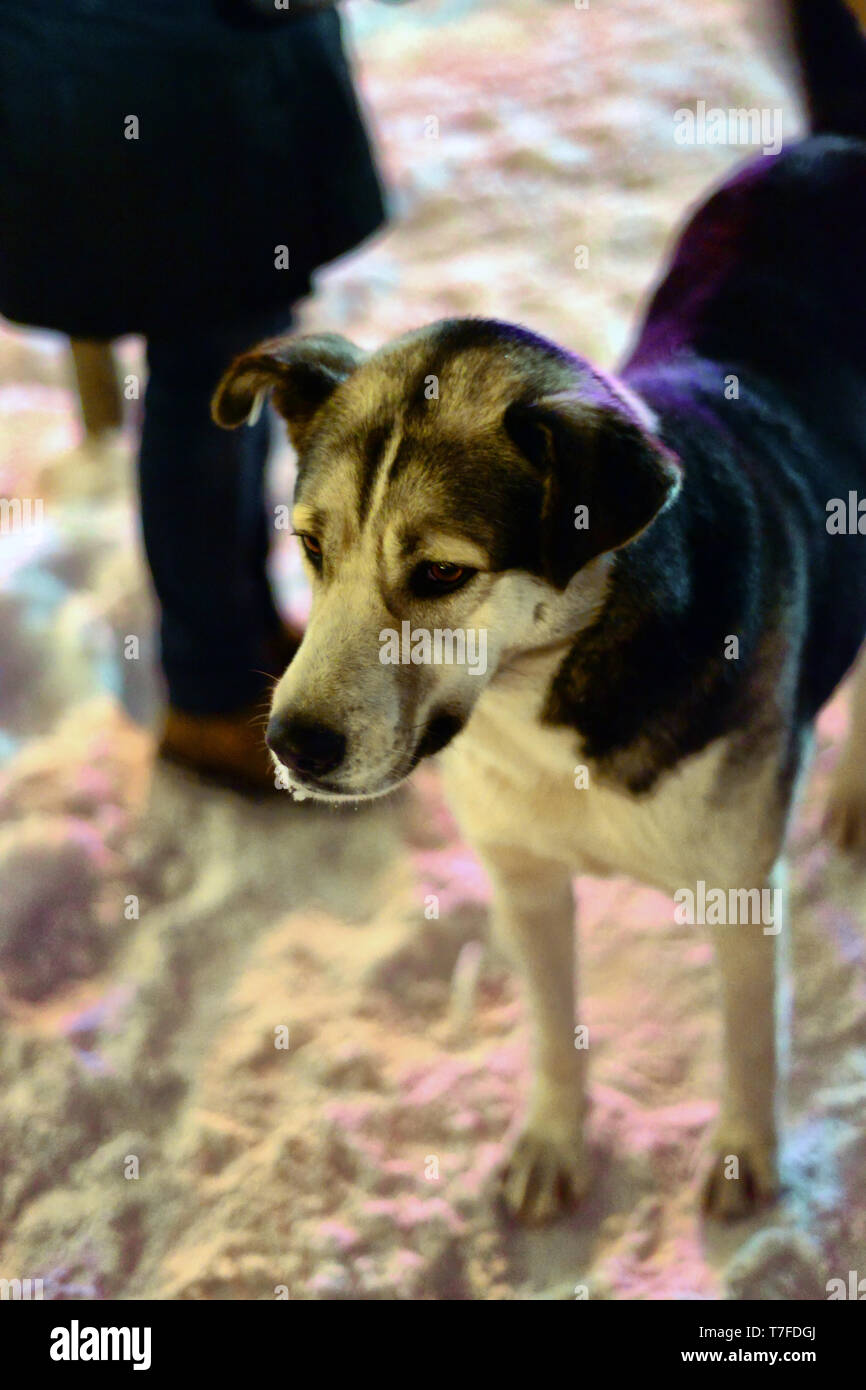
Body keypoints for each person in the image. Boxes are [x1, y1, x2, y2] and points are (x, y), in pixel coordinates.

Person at [0, 0, 386, 786]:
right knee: (212, 365)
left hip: (177, 60)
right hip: (144, 68)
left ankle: (235, 632)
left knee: (237, 338)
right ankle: (208, 689)